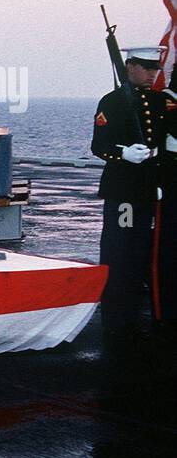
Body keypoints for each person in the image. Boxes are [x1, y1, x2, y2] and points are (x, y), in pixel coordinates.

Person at [90, 46, 176, 339]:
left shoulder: (159, 102)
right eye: (147, 68)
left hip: (150, 187)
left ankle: (144, 312)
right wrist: (123, 153)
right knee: (120, 249)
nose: (153, 74)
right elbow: (99, 146)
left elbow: (166, 141)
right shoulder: (112, 101)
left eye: (156, 69)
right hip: (123, 189)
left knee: (143, 249)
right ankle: (117, 316)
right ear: (129, 67)